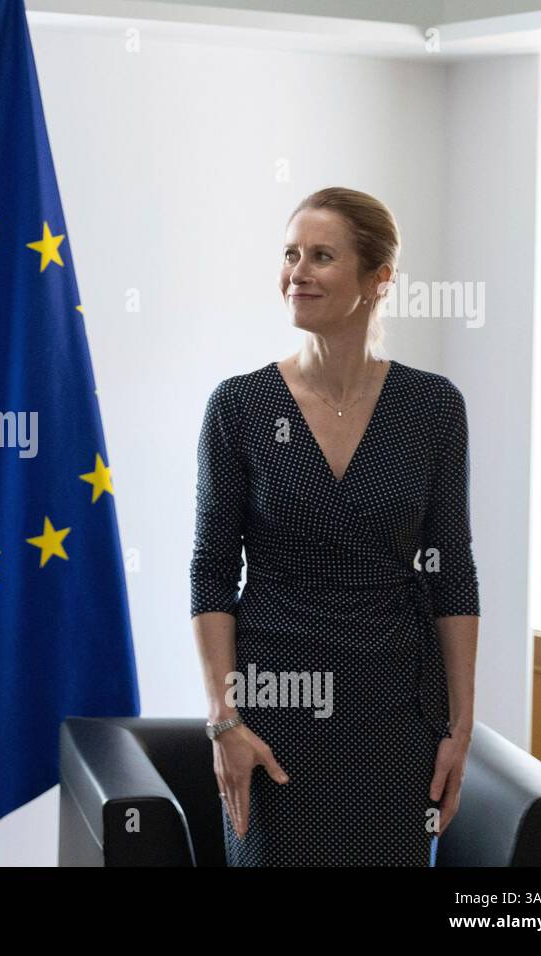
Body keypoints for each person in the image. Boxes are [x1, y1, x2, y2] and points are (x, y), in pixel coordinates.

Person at [190, 186, 481, 865]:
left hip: (396, 713)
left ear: (379, 279)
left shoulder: (434, 408)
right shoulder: (239, 405)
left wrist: (459, 729)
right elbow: (210, 570)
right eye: (291, 253)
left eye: (322, 256)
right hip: (272, 711)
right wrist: (224, 719)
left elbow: (454, 573)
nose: (298, 271)